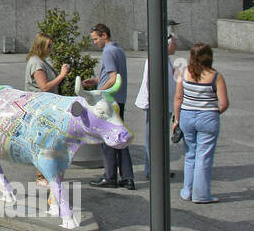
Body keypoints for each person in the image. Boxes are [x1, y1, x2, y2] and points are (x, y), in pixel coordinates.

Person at [173, 43, 228, 204]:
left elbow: (178, 99)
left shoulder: (183, 73)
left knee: (190, 154)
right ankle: (201, 194)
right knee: (203, 157)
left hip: (186, 117)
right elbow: (224, 104)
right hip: (208, 117)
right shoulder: (216, 76)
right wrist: (213, 112)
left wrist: (177, 119)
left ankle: (187, 191)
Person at [88, 23, 131, 188]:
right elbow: (114, 77)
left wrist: (96, 92)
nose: (95, 42)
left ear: (104, 35)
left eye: (96, 38)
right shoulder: (119, 50)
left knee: (107, 139)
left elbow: (112, 79)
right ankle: (127, 176)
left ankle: (110, 176)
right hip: (120, 99)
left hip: (109, 100)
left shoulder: (108, 52)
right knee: (120, 137)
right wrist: (97, 80)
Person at [24, 32, 70, 186]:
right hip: (40, 108)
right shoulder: (36, 63)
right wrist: (62, 75)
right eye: (48, 46)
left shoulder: (41, 61)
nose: (51, 49)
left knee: (47, 141)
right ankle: (41, 175)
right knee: (44, 142)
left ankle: (45, 173)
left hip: (46, 107)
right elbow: (44, 87)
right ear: (41, 46)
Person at [134, 33, 177, 180]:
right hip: (156, 106)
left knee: (162, 138)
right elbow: (150, 82)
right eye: (174, 43)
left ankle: (161, 168)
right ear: (167, 44)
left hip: (167, 105)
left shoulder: (168, 59)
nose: (176, 46)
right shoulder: (155, 59)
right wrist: (155, 104)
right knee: (153, 138)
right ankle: (152, 170)